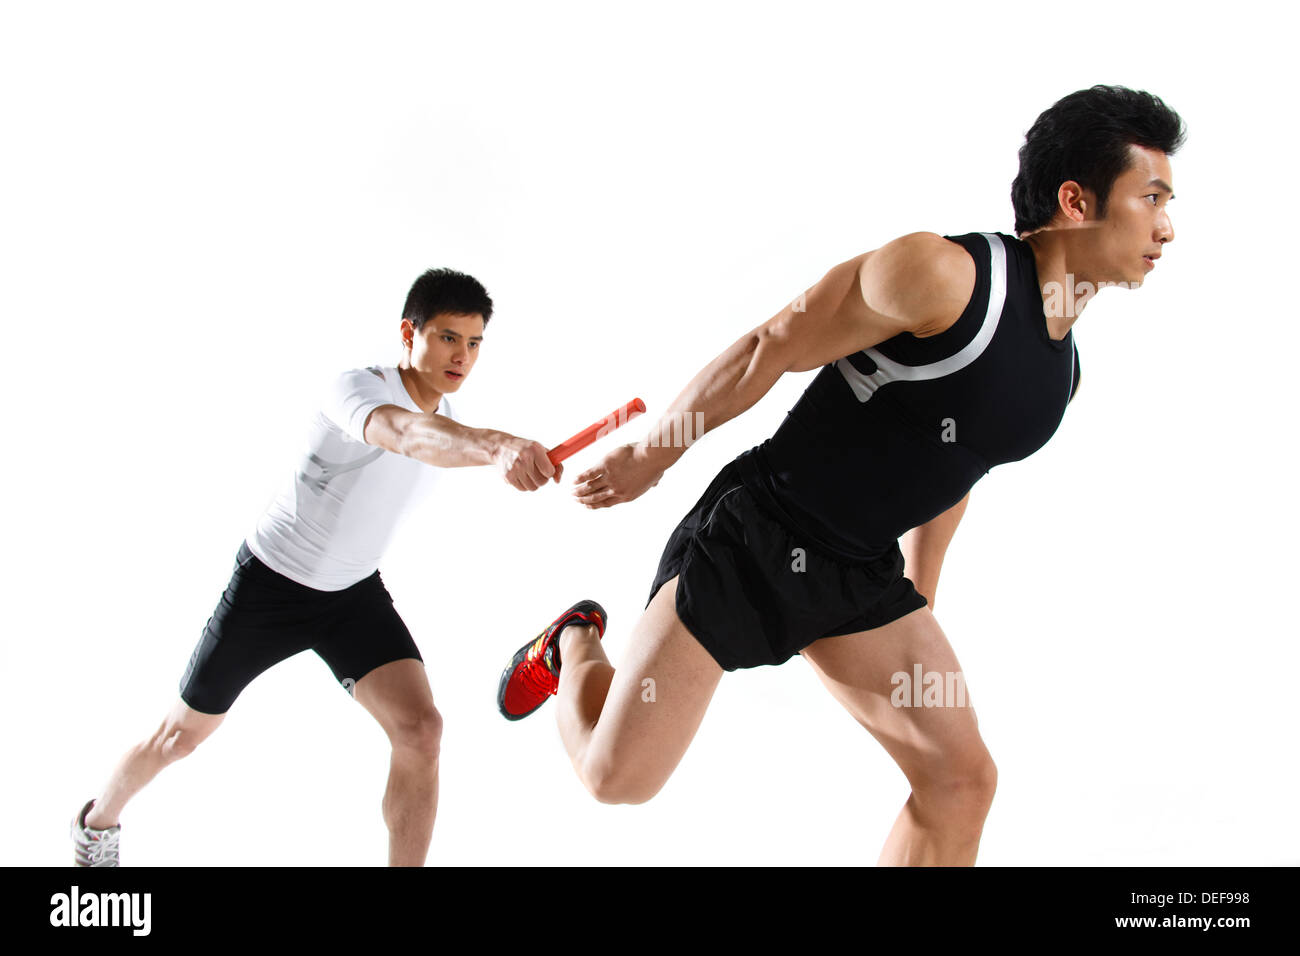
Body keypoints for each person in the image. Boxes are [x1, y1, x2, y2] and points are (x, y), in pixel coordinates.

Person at [497, 85, 1184, 865]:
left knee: (961, 780)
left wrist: (922, 593)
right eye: (1151, 197)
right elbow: (776, 342)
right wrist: (655, 452)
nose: (1167, 226)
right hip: (756, 539)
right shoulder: (945, 275)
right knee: (616, 778)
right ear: (1075, 199)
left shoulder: (1061, 372)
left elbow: (957, 465)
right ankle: (573, 644)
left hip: (859, 572)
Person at [73, 267, 565, 867]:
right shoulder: (357, 389)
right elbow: (404, 434)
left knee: (422, 730)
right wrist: (498, 446)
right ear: (409, 332)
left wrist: (508, 455)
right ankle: (97, 825)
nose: (461, 355)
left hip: (351, 597)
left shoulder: (449, 421)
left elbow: (441, 438)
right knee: (179, 737)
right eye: (446, 337)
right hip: (270, 585)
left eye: (474, 342)